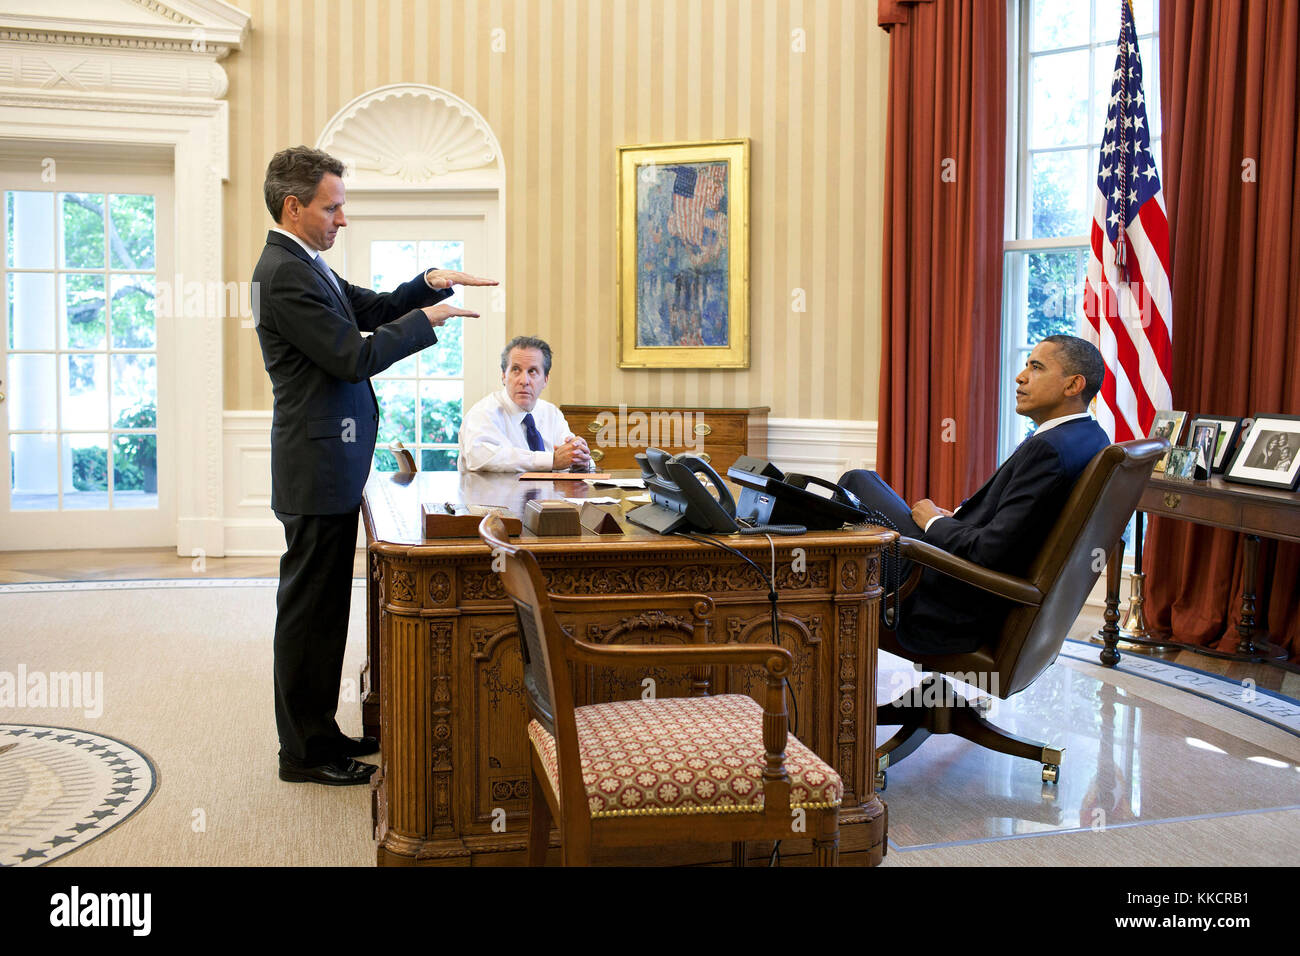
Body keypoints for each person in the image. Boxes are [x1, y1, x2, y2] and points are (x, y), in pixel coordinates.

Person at [252, 146, 496, 786]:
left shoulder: (309, 265)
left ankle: (321, 731)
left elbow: (367, 309)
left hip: (329, 463)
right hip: (314, 469)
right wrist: (428, 321)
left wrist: (428, 284)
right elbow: (349, 356)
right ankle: (302, 753)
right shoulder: (283, 273)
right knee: (308, 615)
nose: (342, 218)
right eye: (332, 207)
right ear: (293, 206)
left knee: (327, 610)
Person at [838, 334, 1110, 655]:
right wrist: (956, 521)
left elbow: (989, 552)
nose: (1020, 376)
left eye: (1036, 367)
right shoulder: (1089, 436)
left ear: (1073, 385)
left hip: (951, 594)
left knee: (856, 482)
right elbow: (1014, 532)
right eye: (1026, 365)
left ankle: (826, 624)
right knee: (861, 485)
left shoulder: (1049, 450)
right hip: (969, 579)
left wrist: (933, 525)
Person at [458, 336, 592, 472]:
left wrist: (580, 459)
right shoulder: (483, 413)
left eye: (532, 371)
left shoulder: (551, 413)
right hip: (497, 493)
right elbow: (480, 458)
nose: (524, 380)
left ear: (545, 379)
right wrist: (550, 460)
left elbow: (568, 454)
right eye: (516, 370)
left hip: (549, 493)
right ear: (504, 376)